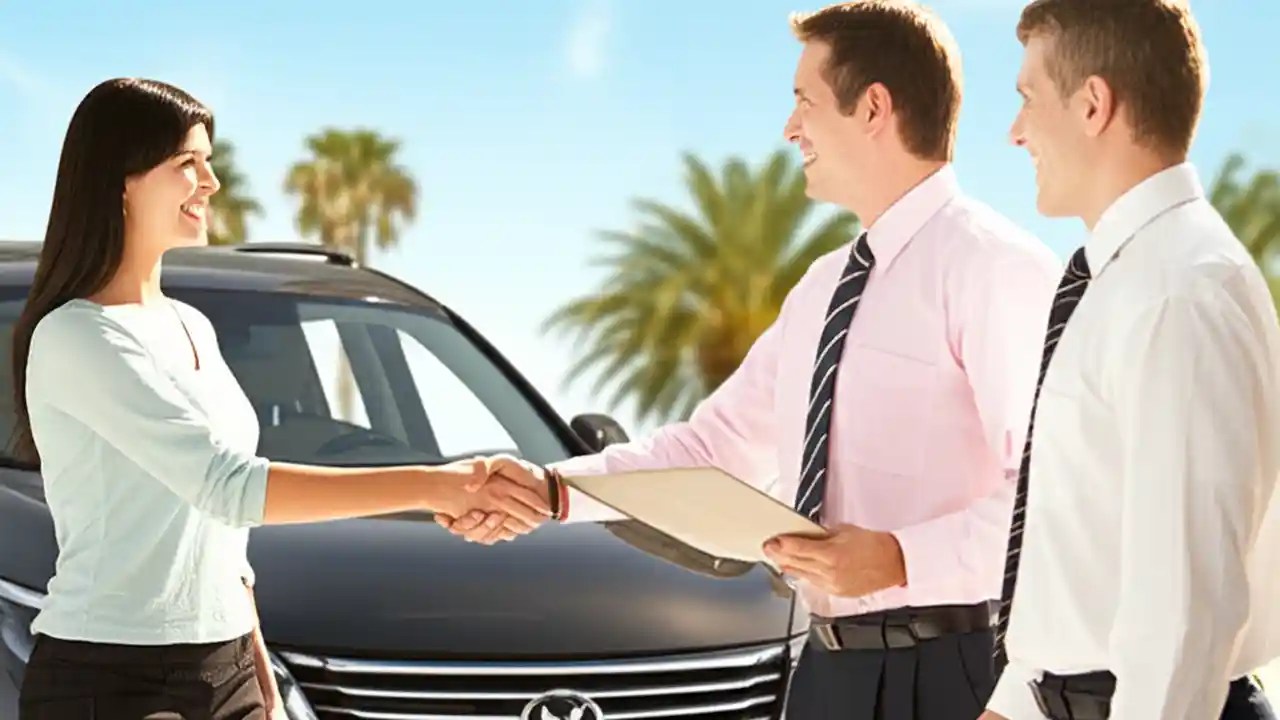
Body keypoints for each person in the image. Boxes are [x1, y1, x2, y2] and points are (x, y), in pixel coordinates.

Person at [441, 2, 1063, 717]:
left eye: (805, 101)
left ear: (873, 109)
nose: (790, 128)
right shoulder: (821, 290)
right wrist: (551, 491)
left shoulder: (994, 269)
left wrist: (900, 558)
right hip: (823, 674)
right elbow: (712, 450)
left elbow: (1050, 498)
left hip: (956, 675)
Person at [11, 77, 554, 720]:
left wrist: (257, 665)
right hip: (116, 672)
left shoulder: (192, 326)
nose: (210, 183)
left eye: (209, 162)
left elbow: (223, 533)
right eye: (187, 164)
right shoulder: (77, 335)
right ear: (120, 181)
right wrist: (436, 485)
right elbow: (225, 485)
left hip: (226, 662)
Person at [982, 2, 1280, 719]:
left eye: (1027, 98)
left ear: (1092, 105)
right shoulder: (1119, 280)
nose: (1015, 131)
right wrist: (1012, 703)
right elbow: (1078, 554)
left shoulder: (1182, 291)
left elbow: (1182, 621)